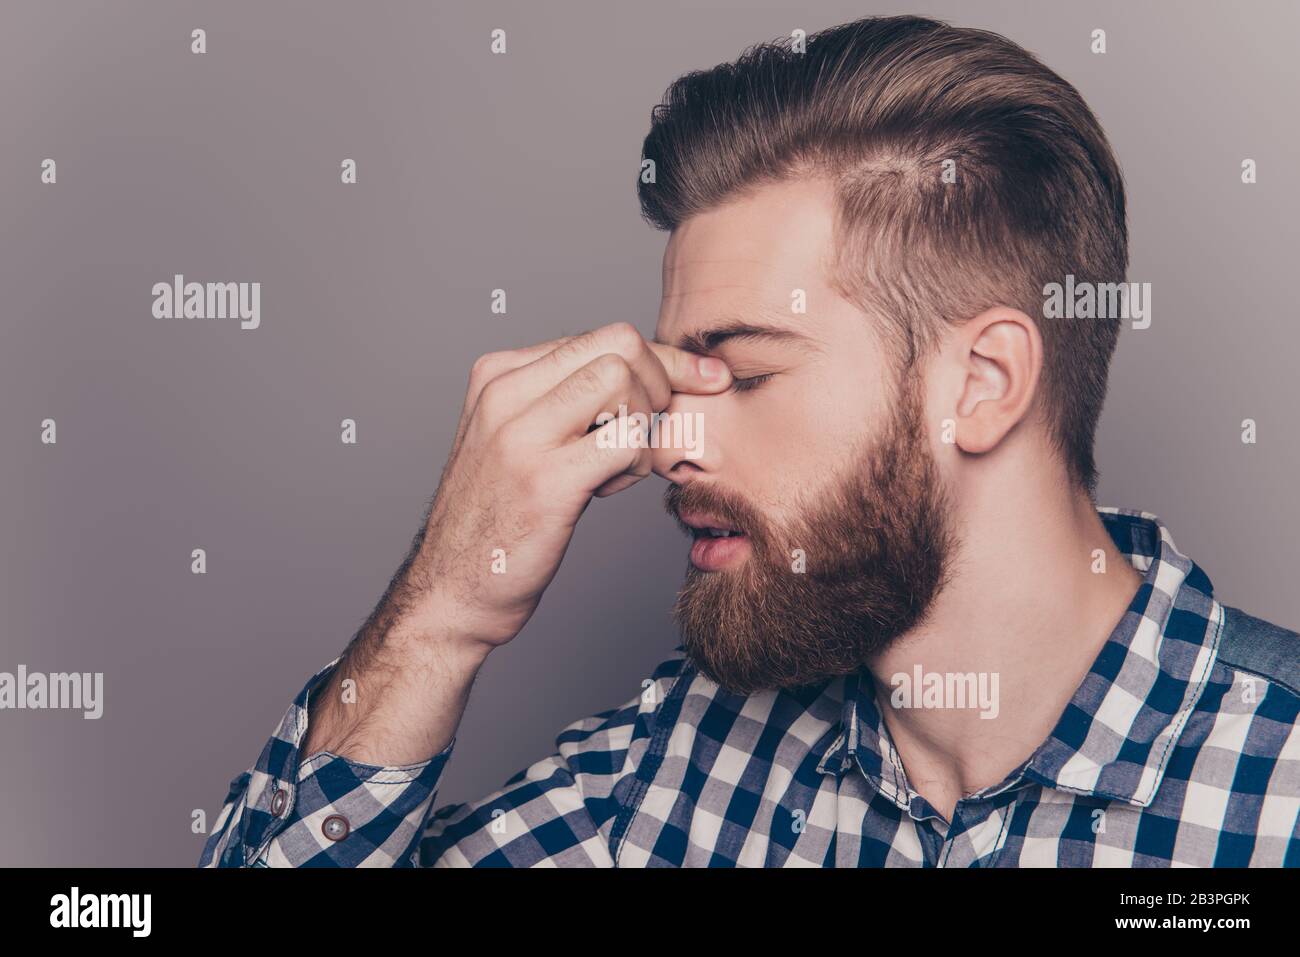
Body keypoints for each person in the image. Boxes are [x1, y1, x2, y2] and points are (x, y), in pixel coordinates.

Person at [200, 15, 1299, 868]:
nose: (667, 443)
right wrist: (442, 612)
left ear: (983, 383)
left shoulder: (1276, 787)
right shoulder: (689, 748)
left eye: (749, 371)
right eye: (682, 375)